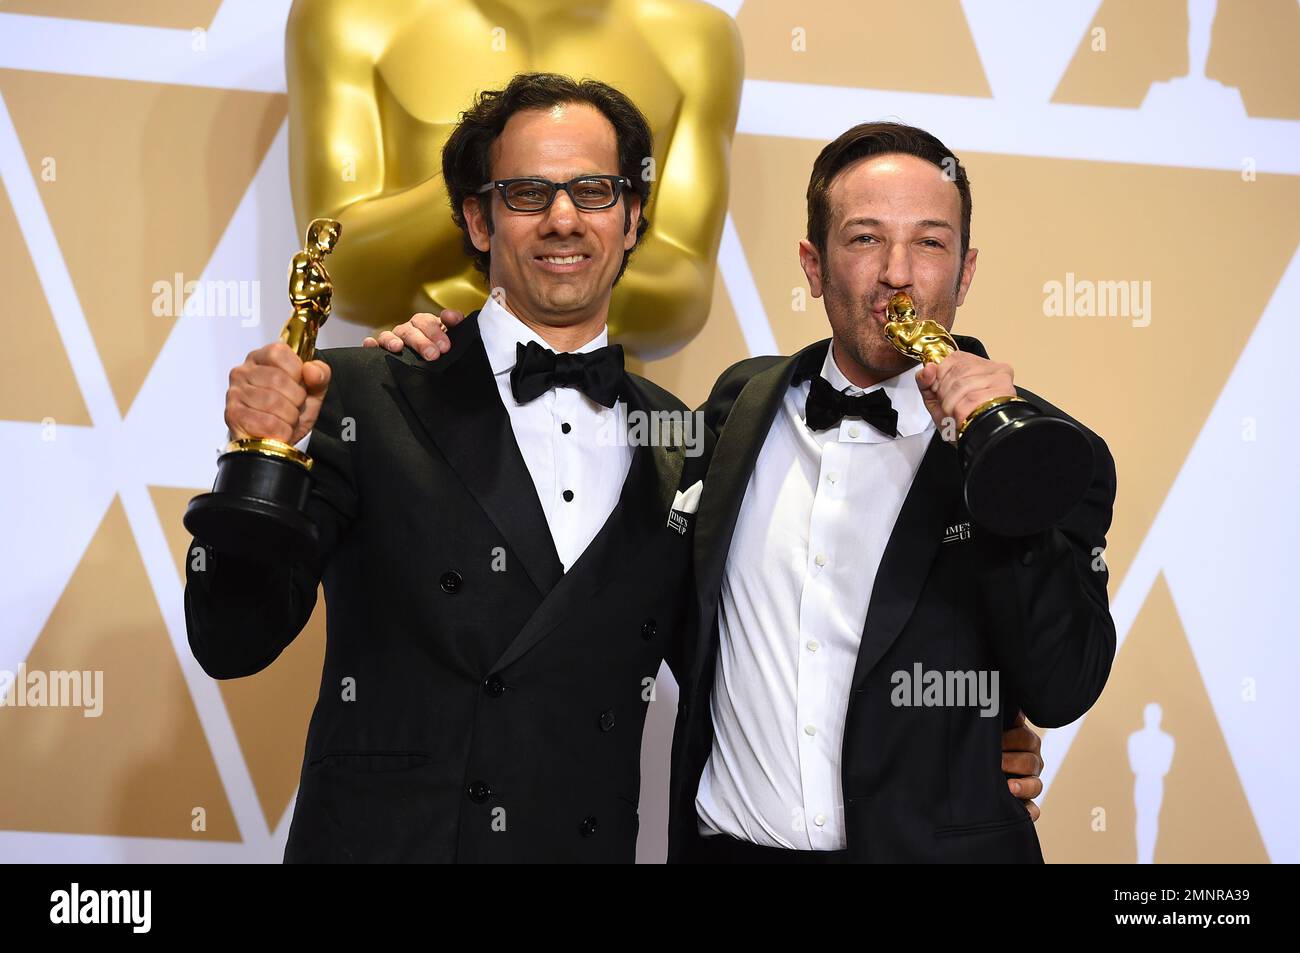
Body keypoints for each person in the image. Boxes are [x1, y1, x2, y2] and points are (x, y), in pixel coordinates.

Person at [376, 121, 1110, 863]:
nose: (898, 273)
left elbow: (1061, 685)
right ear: (813, 264)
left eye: (930, 242)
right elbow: (626, 603)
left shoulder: (1054, 453)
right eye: (863, 239)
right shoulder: (737, 408)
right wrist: (449, 359)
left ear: (965, 269)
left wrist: (1007, 466)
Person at [184, 73, 708, 862]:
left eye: (593, 191)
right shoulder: (365, 390)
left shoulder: (685, 444)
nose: (563, 218)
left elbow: (744, 676)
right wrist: (258, 458)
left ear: (633, 217)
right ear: (478, 217)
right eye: (527, 192)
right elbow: (232, 640)